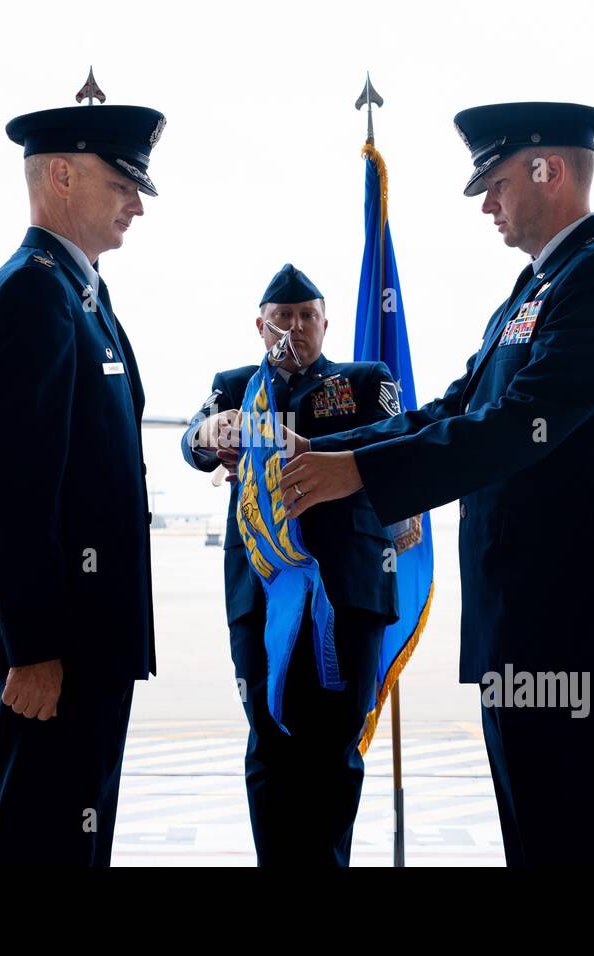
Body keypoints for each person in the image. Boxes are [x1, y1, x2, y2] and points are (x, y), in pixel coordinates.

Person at [276, 102, 594, 866]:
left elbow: (512, 429)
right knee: (535, 848)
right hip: (520, 623)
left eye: (493, 184)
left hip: (578, 627)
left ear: (547, 171)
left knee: (582, 849)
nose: (487, 203)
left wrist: (353, 473)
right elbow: (454, 409)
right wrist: (329, 446)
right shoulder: (532, 293)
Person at [0, 86, 166, 866]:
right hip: (58, 644)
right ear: (61, 179)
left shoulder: (79, 292)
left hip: (91, 636)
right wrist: (35, 647)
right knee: (41, 844)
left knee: (74, 842)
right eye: (122, 187)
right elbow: (13, 488)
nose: (136, 208)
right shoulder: (33, 294)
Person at [182, 264, 400, 866]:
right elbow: (192, 446)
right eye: (283, 318)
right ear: (260, 325)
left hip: (346, 592)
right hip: (262, 591)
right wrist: (210, 434)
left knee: (334, 749)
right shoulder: (235, 389)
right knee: (269, 742)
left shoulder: (364, 383)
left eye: (308, 317)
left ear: (326, 324)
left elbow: (393, 449)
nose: (295, 329)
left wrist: (308, 450)